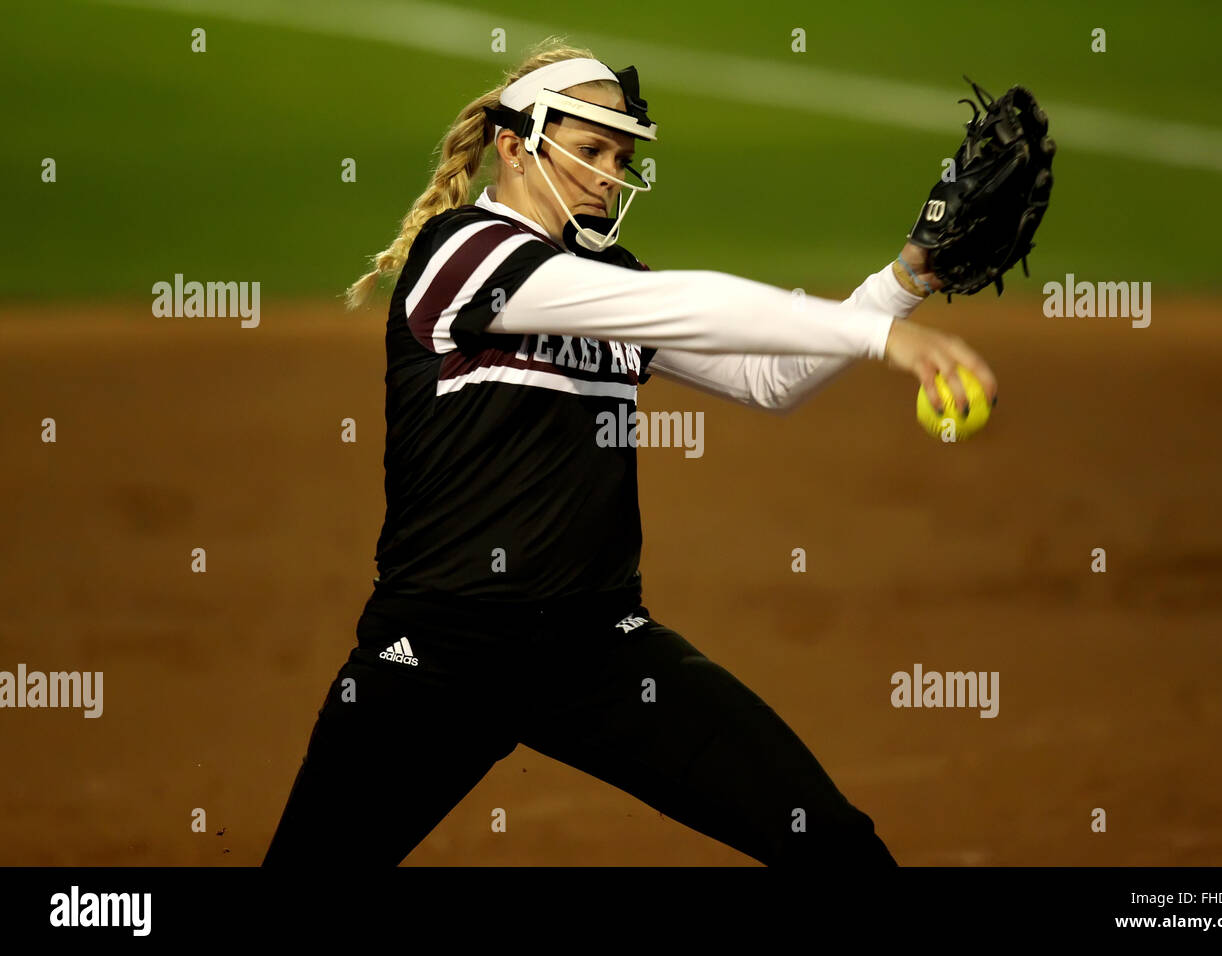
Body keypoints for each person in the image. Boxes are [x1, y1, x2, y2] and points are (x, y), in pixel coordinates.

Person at [263, 40, 997, 867]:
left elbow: (769, 380)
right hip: (438, 657)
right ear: (514, 146)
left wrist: (906, 278)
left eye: (621, 156)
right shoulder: (465, 254)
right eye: (590, 151)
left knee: (832, 843)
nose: (611, 173)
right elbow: (682, 304)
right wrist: (877, 340)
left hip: (599, 649)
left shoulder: (603, 278)